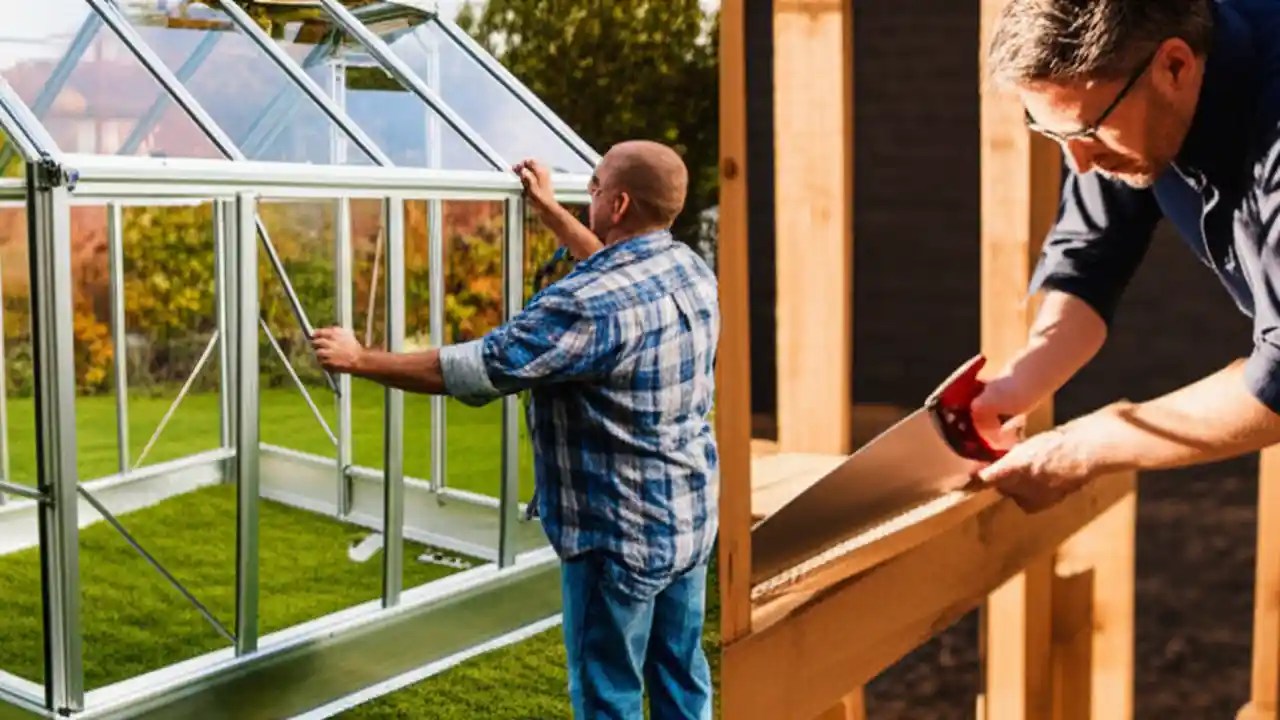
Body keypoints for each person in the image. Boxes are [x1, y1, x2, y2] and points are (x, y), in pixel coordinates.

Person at [311, 140, 719, 719]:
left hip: (618, 538)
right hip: (688, 520)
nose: (590, 194)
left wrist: (360, 359)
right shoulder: (687, 268)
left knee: (610, 696)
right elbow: (615, 273)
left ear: (620, 203)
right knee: (682, 680)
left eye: (596, 186)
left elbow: (477, 366)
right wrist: (550, 209)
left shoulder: (587, 305)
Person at [969, 0, 1280, 512]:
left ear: (1174, 66)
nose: (1080, 162)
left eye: (1087, 132)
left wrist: (1089, 445)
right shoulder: (1124, 86)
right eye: (1054, 133)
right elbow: (1092, 255)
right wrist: (1017, 383)